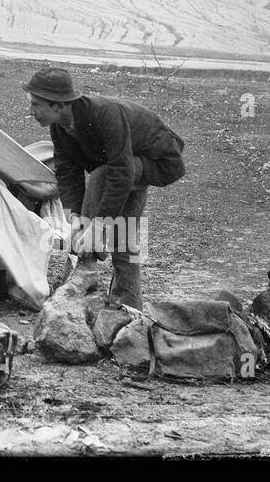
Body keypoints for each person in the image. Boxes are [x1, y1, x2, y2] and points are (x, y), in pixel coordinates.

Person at [23, 66, 185, 309]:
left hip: (158, 162)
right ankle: (129, 306)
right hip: (126, 166)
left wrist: (97, 226)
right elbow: (68, 172)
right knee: (124, 234)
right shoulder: (60, 127)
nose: (31, 111)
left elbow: (122, 170)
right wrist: (74, 217)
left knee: (101, 177)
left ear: (58, 105)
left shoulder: (103, 113)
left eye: (36, 104)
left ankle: (86, 266)